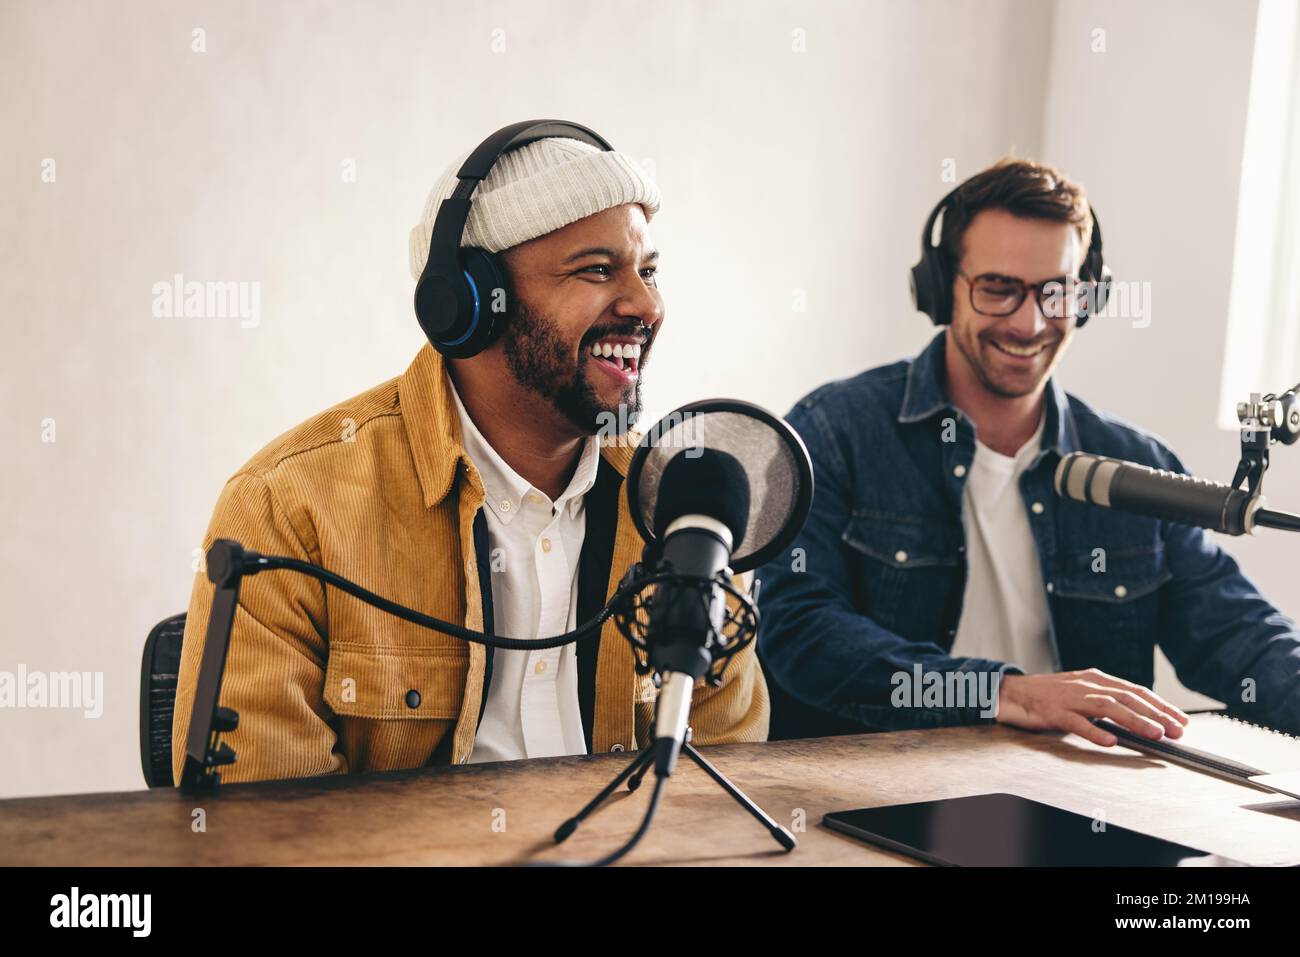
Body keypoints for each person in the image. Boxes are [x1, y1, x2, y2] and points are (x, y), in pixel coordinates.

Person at [172, 122, 768, 784]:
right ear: (469, 303)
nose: (645, 304)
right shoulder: (289, 511)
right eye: (598, 270)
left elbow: (724, 786)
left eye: (648, 270)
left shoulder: (686, 510)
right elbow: (268, 829)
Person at [758, 158, 1300, 745]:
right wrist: (999, 692)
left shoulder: (1135, 464)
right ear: (943, 289)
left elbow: (1238, 635)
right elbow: (800, 632)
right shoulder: (833, 432)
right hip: (875, 788)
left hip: (1076, 795)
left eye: (1056, 292)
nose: (1029, 322)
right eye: (998, 289)